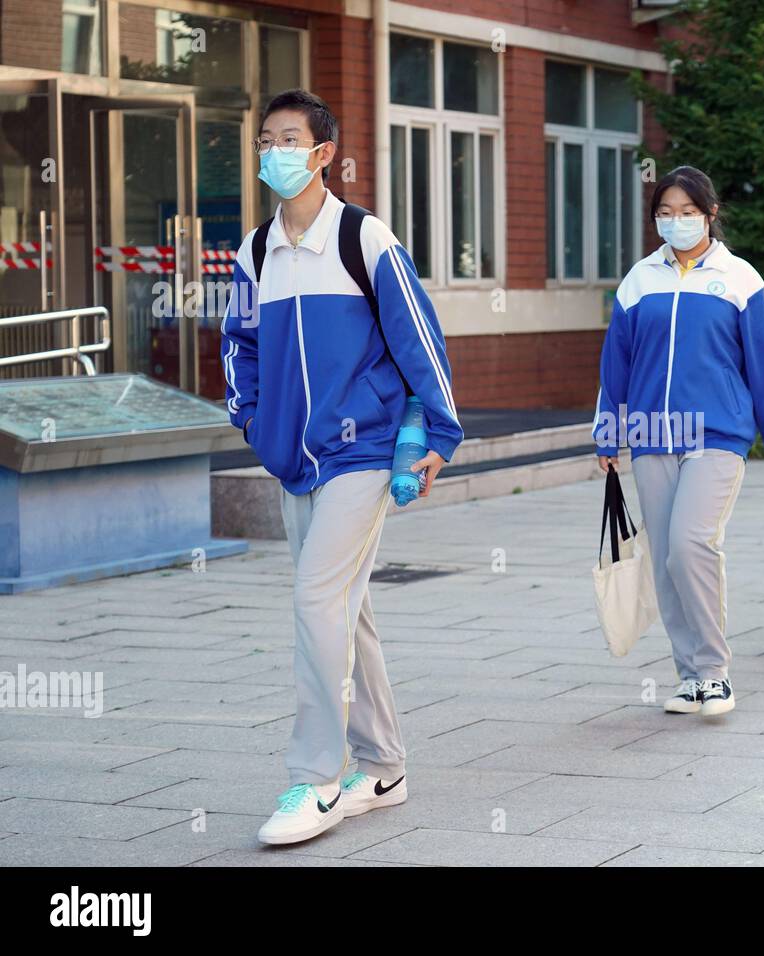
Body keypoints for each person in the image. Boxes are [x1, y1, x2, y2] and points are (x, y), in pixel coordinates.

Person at [221, 90, 462, 845]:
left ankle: (316, 779)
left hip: (362, 451)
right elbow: (240, 346)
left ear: (324, 153)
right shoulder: (256, 252)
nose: (274, 152)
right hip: (295, 458)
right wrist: (256, 423)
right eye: (265, 140)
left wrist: (439, 436)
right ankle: (384, 765)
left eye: (289, 139)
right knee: (346, 610)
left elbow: (420, 336)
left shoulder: (364, 239)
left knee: (316, 599)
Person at [593, 166, 764, 717]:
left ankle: (715, 672)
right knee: (664, 559)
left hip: (717, 434)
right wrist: (608, 429)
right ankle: (689, 678)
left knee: (690, 544)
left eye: (687, 212)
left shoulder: (740, 279)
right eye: (666, 212)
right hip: (651, 437)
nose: (676, 222)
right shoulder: (640, 279)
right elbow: (617, 364)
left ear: (709, 214)